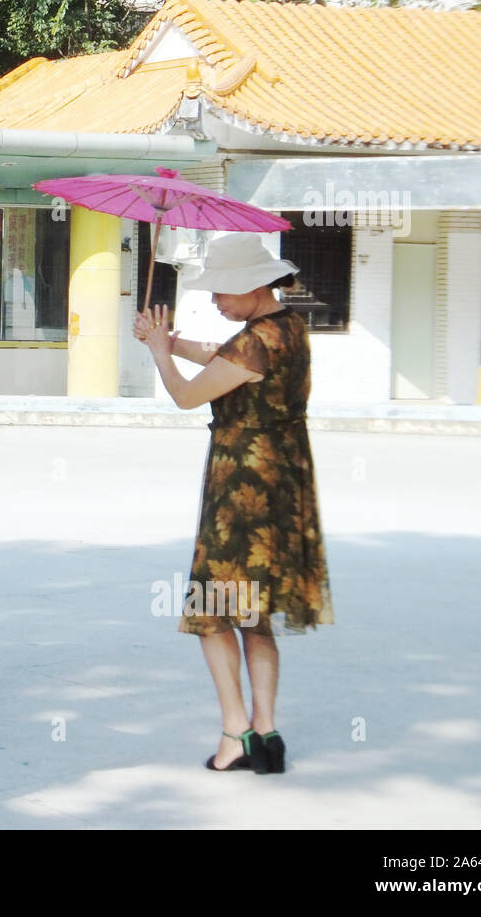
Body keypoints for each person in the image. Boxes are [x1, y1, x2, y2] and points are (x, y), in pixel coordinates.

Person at [135, 232, 333, 774]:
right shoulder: (289, 328)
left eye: (222, 290)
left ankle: (234, 732)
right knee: (254, 612)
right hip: (283, 481)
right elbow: (222, 358)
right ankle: (267, 733)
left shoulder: (252, 343)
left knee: (215, 609)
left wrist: (159, 353)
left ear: (253, 286)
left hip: (242, 486)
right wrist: (169, 340)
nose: (216, 299)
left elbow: (187, 395)